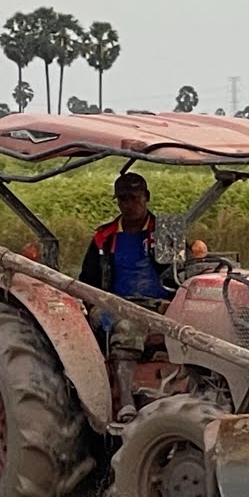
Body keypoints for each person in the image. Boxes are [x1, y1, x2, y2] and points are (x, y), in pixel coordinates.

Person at [79, 172, 172, 422]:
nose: (128, 205)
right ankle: (126, 403)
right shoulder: (104, 237)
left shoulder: (164, 235)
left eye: (134, 198)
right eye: (122, 199)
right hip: (114, 304)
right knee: (127, 328)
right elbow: (87, 281)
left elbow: (179, 275)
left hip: (158, 305)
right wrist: (95, 305)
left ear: (147, 198)